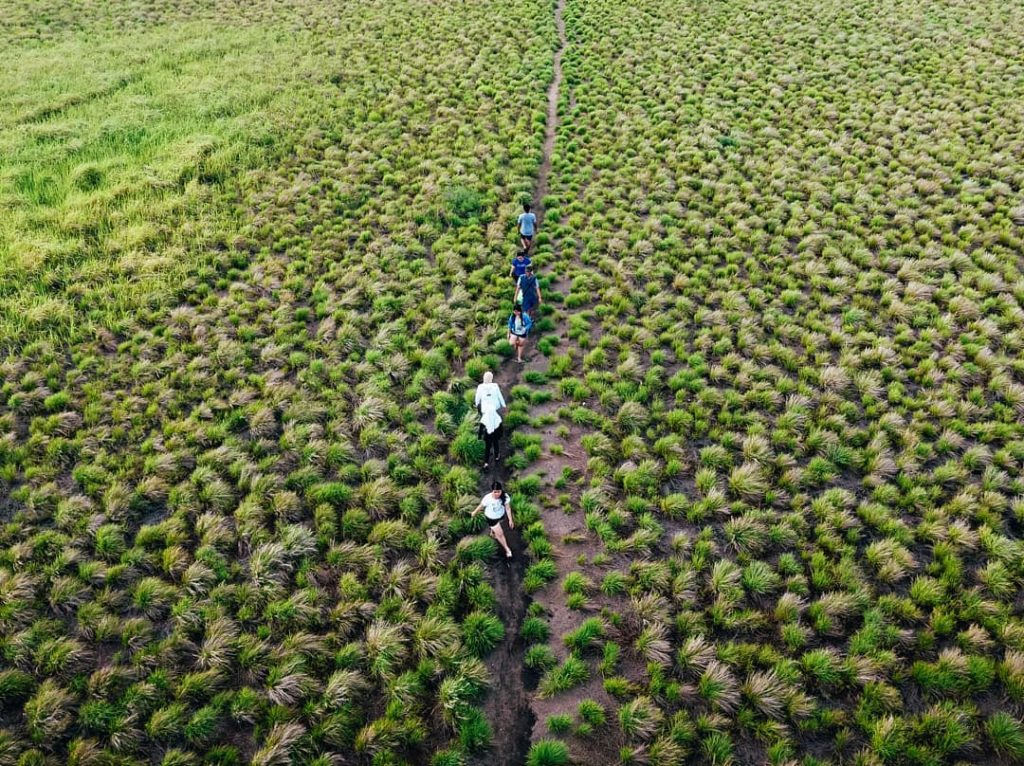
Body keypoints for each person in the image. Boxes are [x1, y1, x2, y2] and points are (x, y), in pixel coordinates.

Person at [471, 481, 514, 559]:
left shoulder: (505, 496)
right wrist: (474, 512)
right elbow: (481, 506)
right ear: (492, 491)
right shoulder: (487, 498)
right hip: (491, 518)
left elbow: (508, 508)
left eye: (499, 492)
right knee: (500, 534)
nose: (497, 494)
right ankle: (507, 549)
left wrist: (510, 520)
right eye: (495, 492)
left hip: (500, 516)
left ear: (501, 490)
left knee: (496, 529)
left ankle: (492, 532)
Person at [478, 398, 503, 469]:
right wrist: (501, 434)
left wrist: (479, 437)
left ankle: (486, 463)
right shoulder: (497, 417)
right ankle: (497, 456)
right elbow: (501, 427)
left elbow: (481, 428)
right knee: (496, 445)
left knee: (487, 448)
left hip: (487, 435)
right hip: (496, 434)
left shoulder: (485, 417)